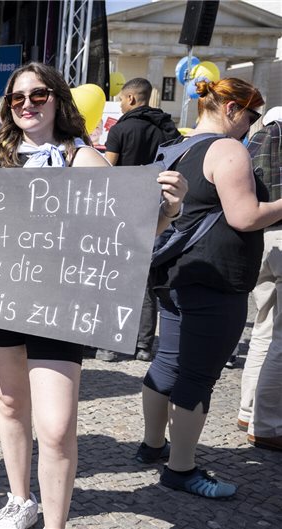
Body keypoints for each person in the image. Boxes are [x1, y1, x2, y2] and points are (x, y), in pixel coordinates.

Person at [0, 62, 185, 529]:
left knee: (56, 428)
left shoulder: (84, 159)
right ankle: (20, 500)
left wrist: (169, 212)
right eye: (17, 98)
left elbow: (128, 234)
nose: (28, 105)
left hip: (60, 307)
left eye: (38, 95)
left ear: (58, 99)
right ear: (7, 106)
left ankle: (55, 523)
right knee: (10, 404)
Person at [138, 78, 273, 499]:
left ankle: (152, 445)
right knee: (197, 375)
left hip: (175, 273)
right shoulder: (228, 149)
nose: (252, 126)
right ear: (232, 108)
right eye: (251, 116)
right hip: (215, 278)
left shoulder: (178, 148)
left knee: (167, 363)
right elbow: (244, 216)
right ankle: (181, 469)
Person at [92, 78, 182, 363]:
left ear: (131, 98)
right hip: (156, 207)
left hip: (121, 208)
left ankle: (108, 344)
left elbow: (107, 169)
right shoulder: (167, 128)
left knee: (110, 275)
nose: (120, 104)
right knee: (144, 278)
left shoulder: (121, 129)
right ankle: (143, 345)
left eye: (120, 99)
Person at [238, 106, 282, 452]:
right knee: (279, 334)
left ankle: (247, 411)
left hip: (260, 236)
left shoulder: (259, 137)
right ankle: (266, 425)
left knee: (264, 327)